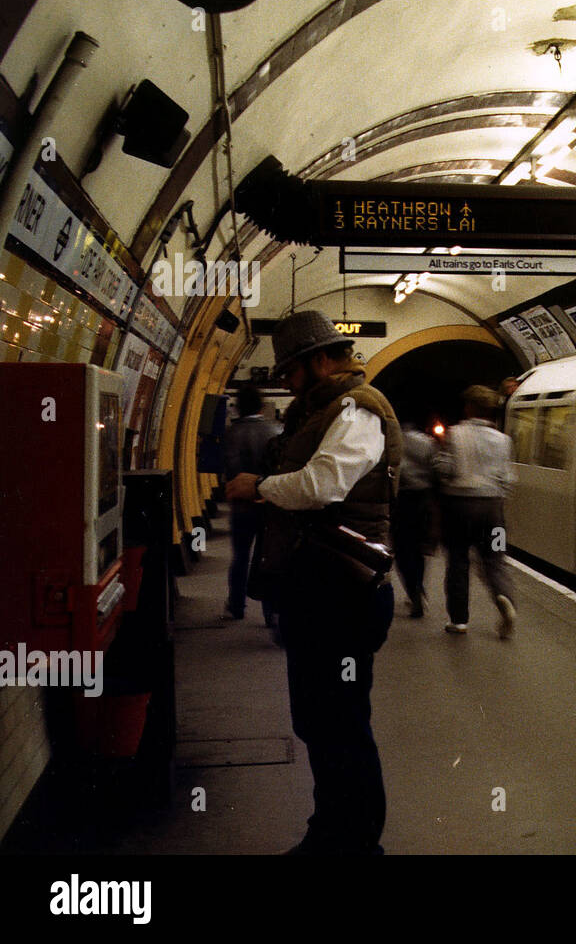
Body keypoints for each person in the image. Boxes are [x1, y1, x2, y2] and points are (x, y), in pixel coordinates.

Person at [225, 310, 402, 855]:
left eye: (293, 370)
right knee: (321, 721)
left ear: (322, 360)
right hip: (318, 591)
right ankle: (330, 830)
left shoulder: (357, 410)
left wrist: (259, 487)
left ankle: (355, 842)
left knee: (342, 723)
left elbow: (322, 485)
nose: (286, 381)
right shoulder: (321, 411)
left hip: (343, 595)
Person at [435, 385, 517, 638]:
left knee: (458, 561)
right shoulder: (504, 440)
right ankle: (505, 597)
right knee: (495, 559)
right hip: (493, 509)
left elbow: (444, 469)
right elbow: (508, 478)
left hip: (459, 509)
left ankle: (459, 621)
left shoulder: (455, 434)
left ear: (469, 408)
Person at [221, 386, 281, 624]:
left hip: (241, 505)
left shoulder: (231, 433)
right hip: (269, 503)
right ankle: (270, 613)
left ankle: (236, 606)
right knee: (267, 557)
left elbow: (227, 465)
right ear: (260, 407)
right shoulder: (274, 430)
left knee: (241, 556)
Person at [394, 418, 438, 618]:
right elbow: (435, 469)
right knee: (418, 550)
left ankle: (414, 592)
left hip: (400, 500)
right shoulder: (428, 442)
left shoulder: (393, 439)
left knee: (402, 551)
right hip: (423, 499)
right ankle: (419, 587)